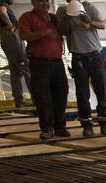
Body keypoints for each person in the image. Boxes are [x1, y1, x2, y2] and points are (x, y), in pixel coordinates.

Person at [17, 0, 69, 139]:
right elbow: (23, 35)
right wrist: (43, 33)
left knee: (61, 94)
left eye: (46, 1)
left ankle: (60, 127)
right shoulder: (27, 17)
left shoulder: (54, 18)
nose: (44, 4)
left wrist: (67, 17)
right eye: (40, 1)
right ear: (33, 2)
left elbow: (64, 31)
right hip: (39, 62)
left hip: (57, 62)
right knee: (43, 96)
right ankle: (47, 128)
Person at [57, 0, 106, 135]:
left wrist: (89, 21)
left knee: (101, 89)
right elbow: (62, 31)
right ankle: (86, 124)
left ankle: (104, 122)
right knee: (82, 92)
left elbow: (102, 25)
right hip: (78, 56)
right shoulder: (62, 11)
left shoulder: (90, 8)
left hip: (94, 54)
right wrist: (67, 18)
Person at [0, 0, 31, 108]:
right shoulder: (3, 5)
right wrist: (10, 26)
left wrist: (0, 30)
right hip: (13, 39)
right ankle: (37, 98)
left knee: (16, 71)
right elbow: (1, 11)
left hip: (7, 39)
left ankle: (19, 101)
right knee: (26, 68)